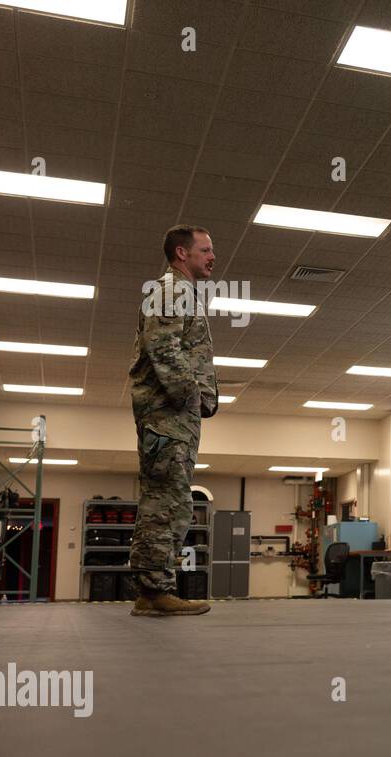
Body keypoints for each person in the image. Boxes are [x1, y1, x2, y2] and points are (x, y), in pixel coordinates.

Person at [127, 225, 219, 617]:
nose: (213, 256)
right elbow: (163, 350)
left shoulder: (185, 294)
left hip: (175, 415)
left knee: (170, 498)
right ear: (181, 253)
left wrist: (205, 397)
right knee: (166, 501)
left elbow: (185, 351)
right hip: (168, 414)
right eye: (205, 249)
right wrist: (192, 396)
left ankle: (154, 591)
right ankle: (153, 592)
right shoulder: (170, 291)